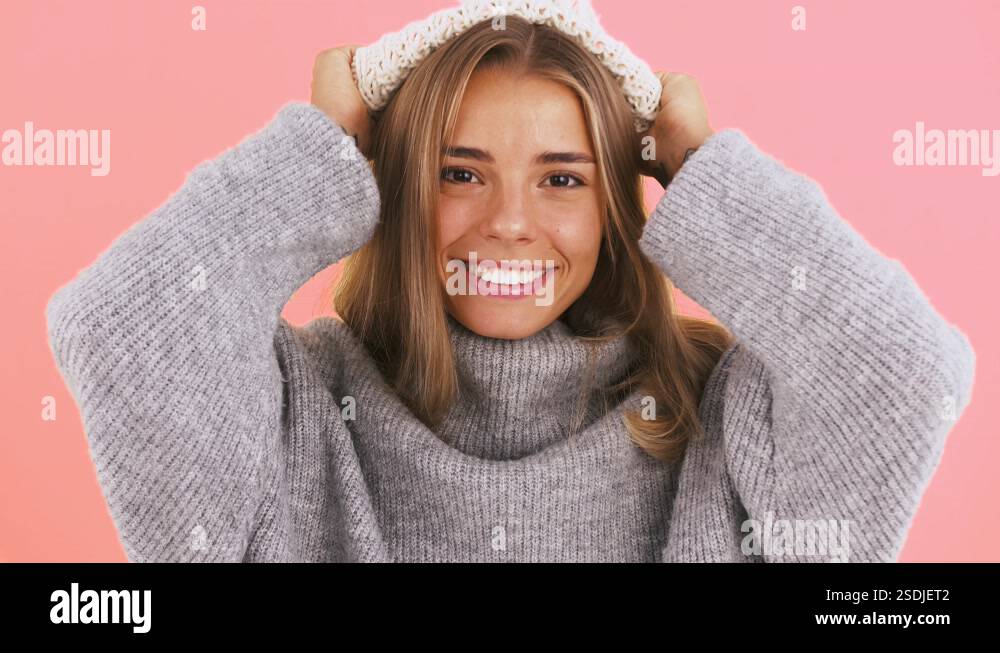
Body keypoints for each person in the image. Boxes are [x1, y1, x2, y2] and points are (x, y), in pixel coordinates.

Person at [45, 15, 975, 562]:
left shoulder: (720, 420)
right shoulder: (295, 413)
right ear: (394, 185)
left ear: (619, 204)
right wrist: (312, 151)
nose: (510, 221)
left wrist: (701, 168)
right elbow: (114, 331)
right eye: (460, 172)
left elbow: (910, 374)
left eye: (564, 178)